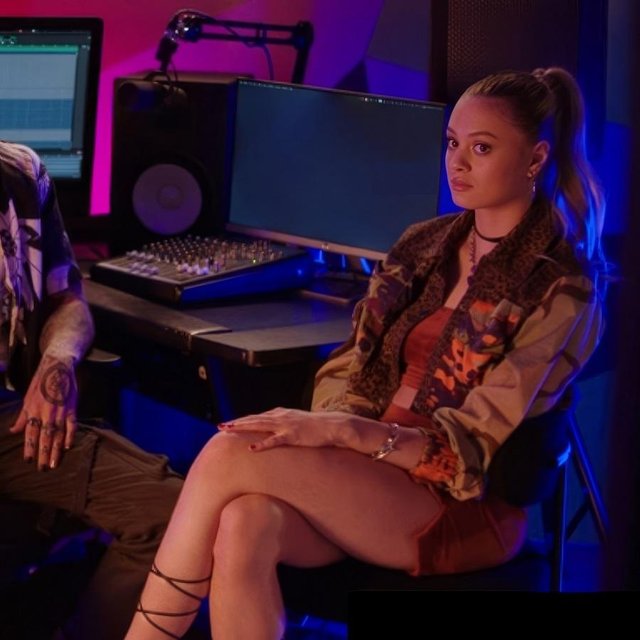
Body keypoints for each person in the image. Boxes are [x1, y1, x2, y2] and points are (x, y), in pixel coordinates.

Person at [125, 66, 606, 639]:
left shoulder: (559, 287)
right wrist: (338, 426)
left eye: (481, 148)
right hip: (369, 471)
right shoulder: (423, 243)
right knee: (243, 521)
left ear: (535, 158)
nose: (457, 163)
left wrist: (344, 434)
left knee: (228, 453)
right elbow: (349, 362)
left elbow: (473, 445)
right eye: (452, 143)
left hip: (458, 499)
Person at [0, 140, 184, 640]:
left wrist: (57, 362)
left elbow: (66, 300)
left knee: (174, 514)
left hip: (11, 424)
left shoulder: (21, 174)